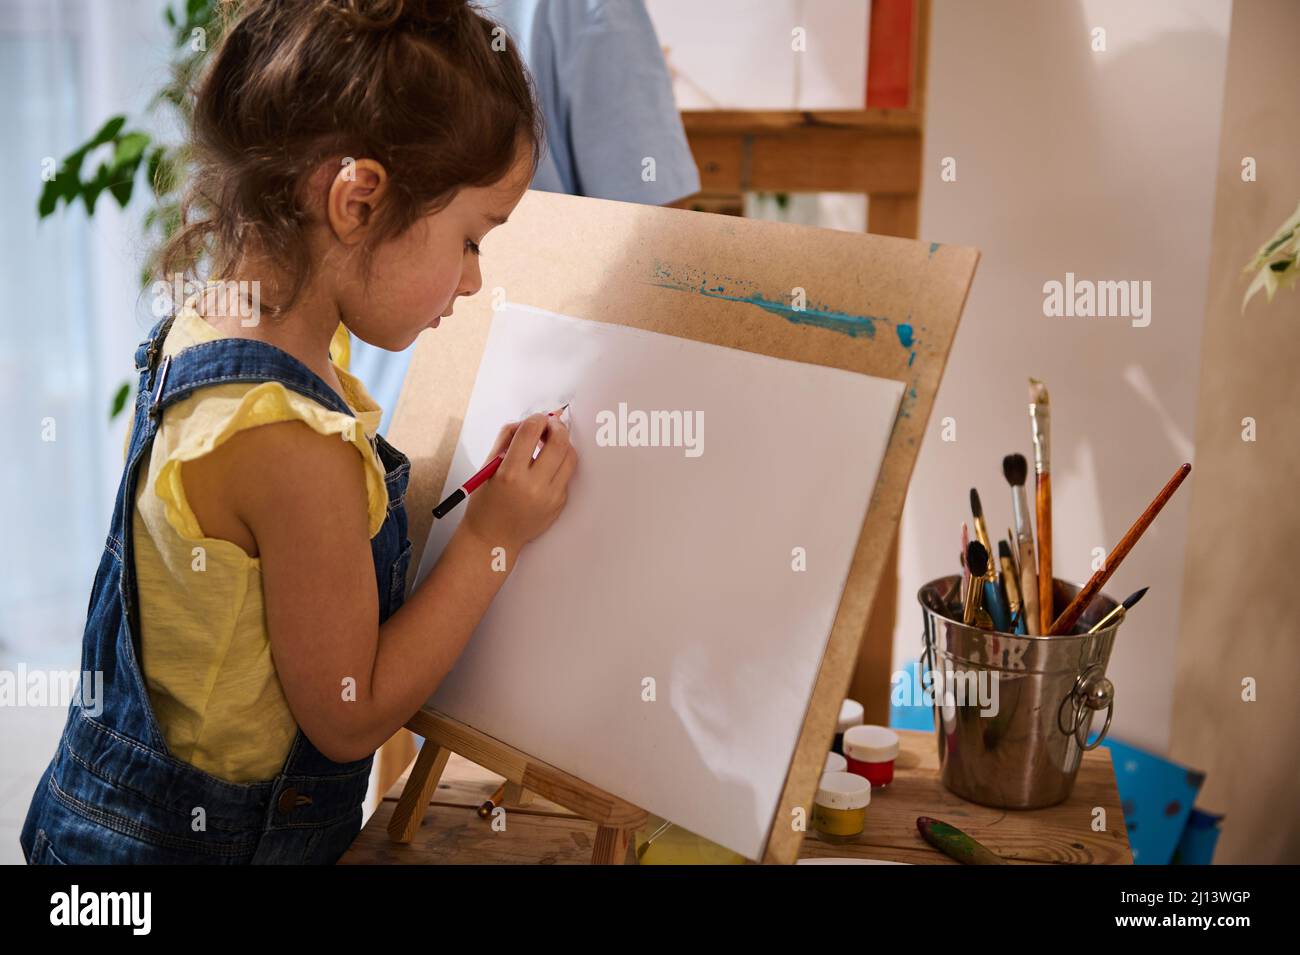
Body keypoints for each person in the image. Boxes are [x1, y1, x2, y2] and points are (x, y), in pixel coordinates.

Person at [20, 0, 574, 864]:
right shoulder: (288, 442)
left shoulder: (207, 331)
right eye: (470, 239)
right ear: (357, 203)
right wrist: (492, 540)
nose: (472, 282)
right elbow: (351, 712)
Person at [347, 0, 701, 432]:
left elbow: (657, 239)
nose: (473, 280)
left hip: (403, 412)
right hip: (476, 422)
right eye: (470, 244)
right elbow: (660, 249)